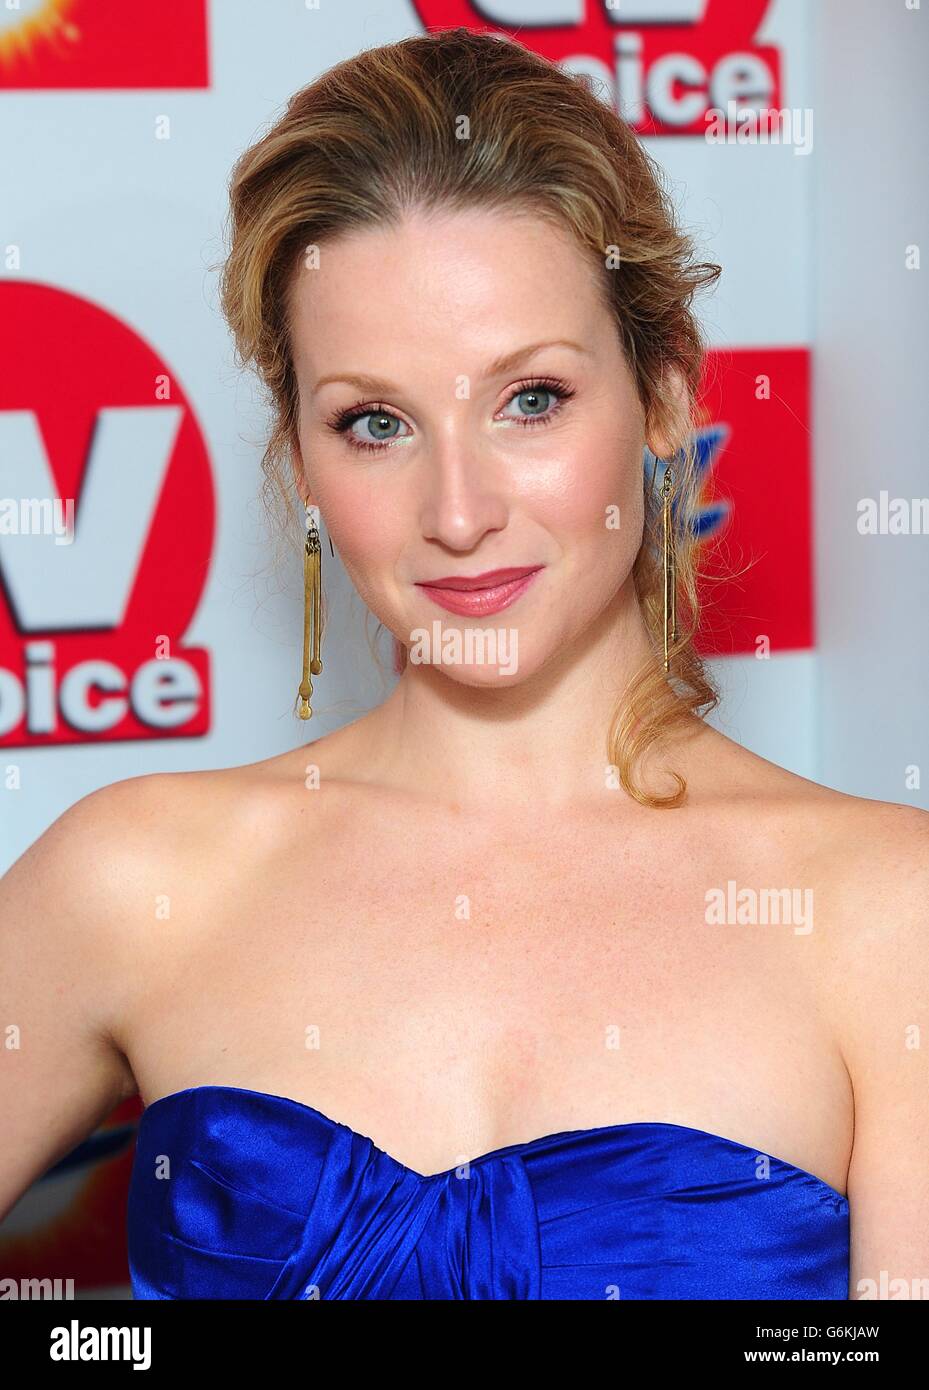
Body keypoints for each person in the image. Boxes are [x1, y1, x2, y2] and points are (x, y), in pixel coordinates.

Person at [2, 27, 926, 1301]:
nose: (455, 509)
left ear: (661, 395)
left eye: (529, 399)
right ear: (298, 460)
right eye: (373, 422)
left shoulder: (887, 913)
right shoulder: (137, 877)